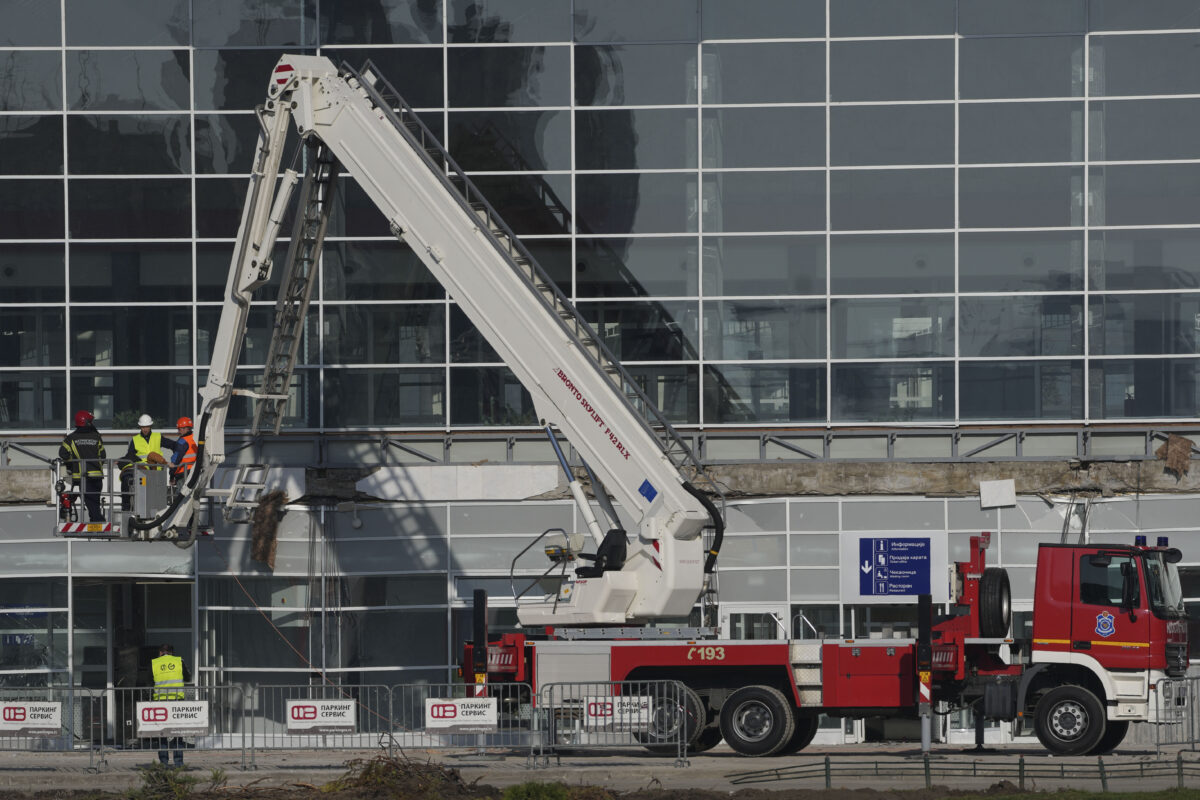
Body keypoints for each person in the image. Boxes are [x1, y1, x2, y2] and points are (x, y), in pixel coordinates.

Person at [118, 414, 178, 511]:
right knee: (144, 498)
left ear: (150, 426)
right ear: (140, 427)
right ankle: (131, 510)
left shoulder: (157, 437)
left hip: (157, 472)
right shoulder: (135, 439)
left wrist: (175, 459)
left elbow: (174, 445)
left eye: (147, 427)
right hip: (142, 472)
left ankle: (157, 516)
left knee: (158, 500)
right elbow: (130, 456)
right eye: (143, 427)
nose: (145, 429)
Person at [58, 410, 106, 522]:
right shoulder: (96, 437)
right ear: (87, 422)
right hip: (97, 477)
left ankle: (98, 521)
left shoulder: (71, 438)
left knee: (91, 503)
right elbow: (103, 456)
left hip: (82, 477)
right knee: (94, 502)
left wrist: (73, 463)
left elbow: (63, 454)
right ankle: (97, 520)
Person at [150, 643, 189, 767]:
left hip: (160, 702)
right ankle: (179, 763)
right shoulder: (179, 661)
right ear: (172, 652)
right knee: (177, 733)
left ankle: (164, 763)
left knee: (162, 733)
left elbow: (149, 681)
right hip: (177, 701)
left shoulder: (155, 663)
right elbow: (188, 677)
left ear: (160, 652)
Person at [171, 417, 197, 483]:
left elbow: (175, 460)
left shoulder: (182, 442)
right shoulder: (195, 438)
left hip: (183, 473)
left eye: (179, 429)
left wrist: (171, 475)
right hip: (195, 471)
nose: (178, 431)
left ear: (186, 428)